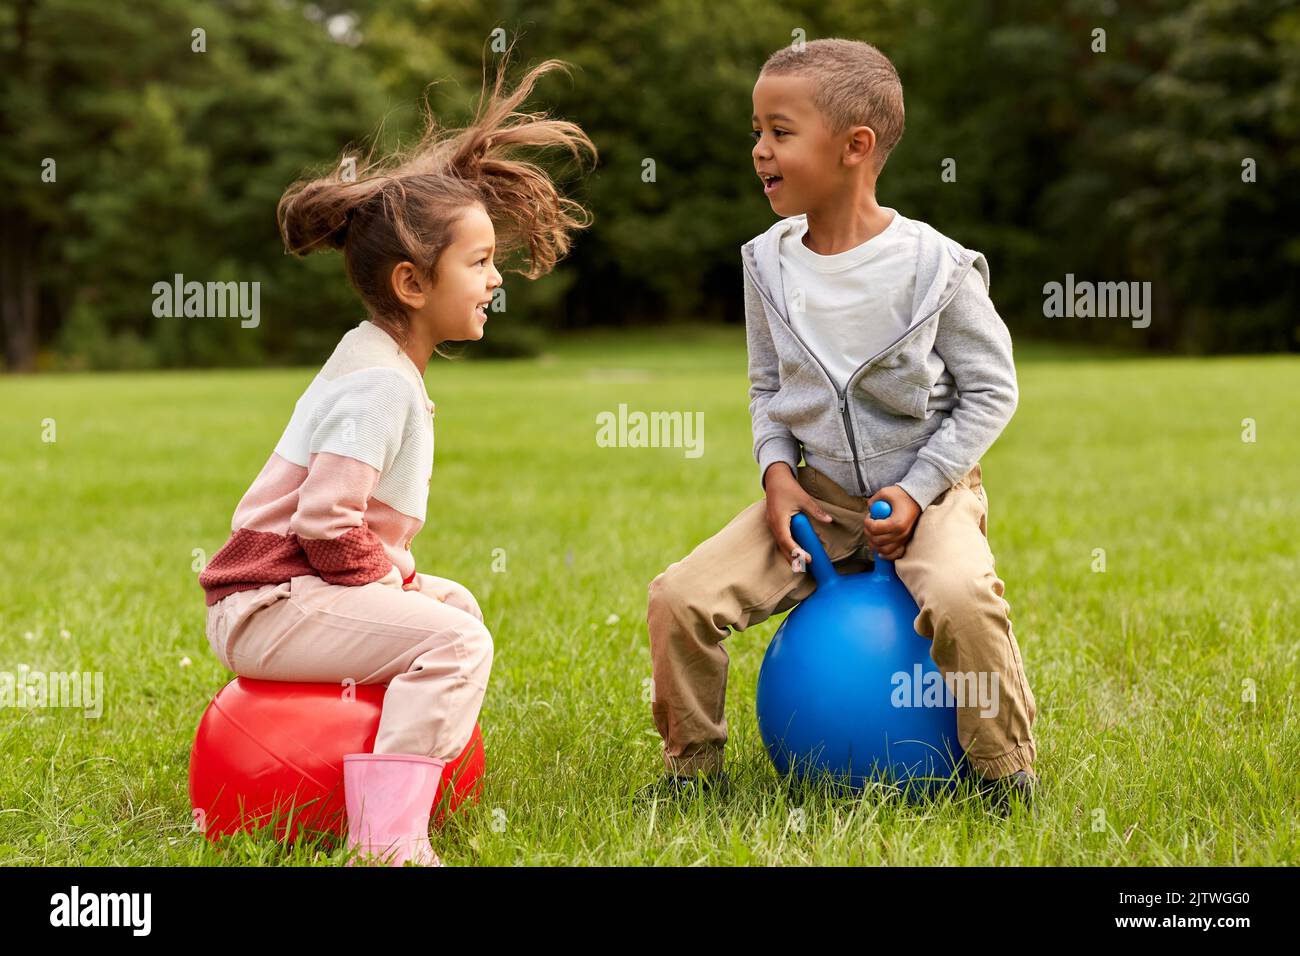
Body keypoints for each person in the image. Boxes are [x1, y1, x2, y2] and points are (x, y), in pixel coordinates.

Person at [199, 54, 596, 864]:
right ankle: (385, 842)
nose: (495, 280)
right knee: (454, 645)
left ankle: (406, 782)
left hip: (293, 591)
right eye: (479, 263)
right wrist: (390, 584)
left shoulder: (375, 358)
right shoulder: (380, 383)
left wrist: (408, 583)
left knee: (459, 609)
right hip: (271, 604)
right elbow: (323, 521)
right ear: (413, 282)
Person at [643, 38, 1038, 815]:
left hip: (930, 494)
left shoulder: (938, 269)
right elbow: (766, 388)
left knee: (960, 596)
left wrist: (922, 492)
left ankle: (1004, 772)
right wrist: (777, 477)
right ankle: (691, 773)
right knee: (678, 599)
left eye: (780, 132)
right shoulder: (766, 264)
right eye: (756, 131)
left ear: (856, 147)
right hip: (814, 497)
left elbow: (992, 391)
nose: (759, 150)